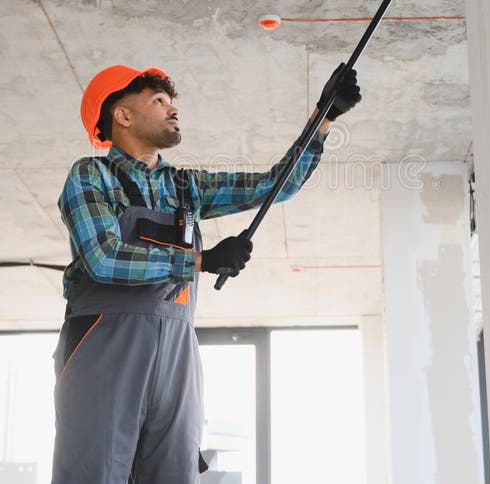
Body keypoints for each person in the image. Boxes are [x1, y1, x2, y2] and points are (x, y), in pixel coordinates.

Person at [51, 63, 361, 483]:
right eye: (158, 101)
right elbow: (104, 258)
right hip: (102, 347)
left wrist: (322, 119)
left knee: (176, 473)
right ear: (122, 116)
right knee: (95, 473)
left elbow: (275, 185)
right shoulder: (93, 176)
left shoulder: (186, 188)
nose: (172, 109)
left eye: (171, 101)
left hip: (176, 352)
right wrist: (199, 261)